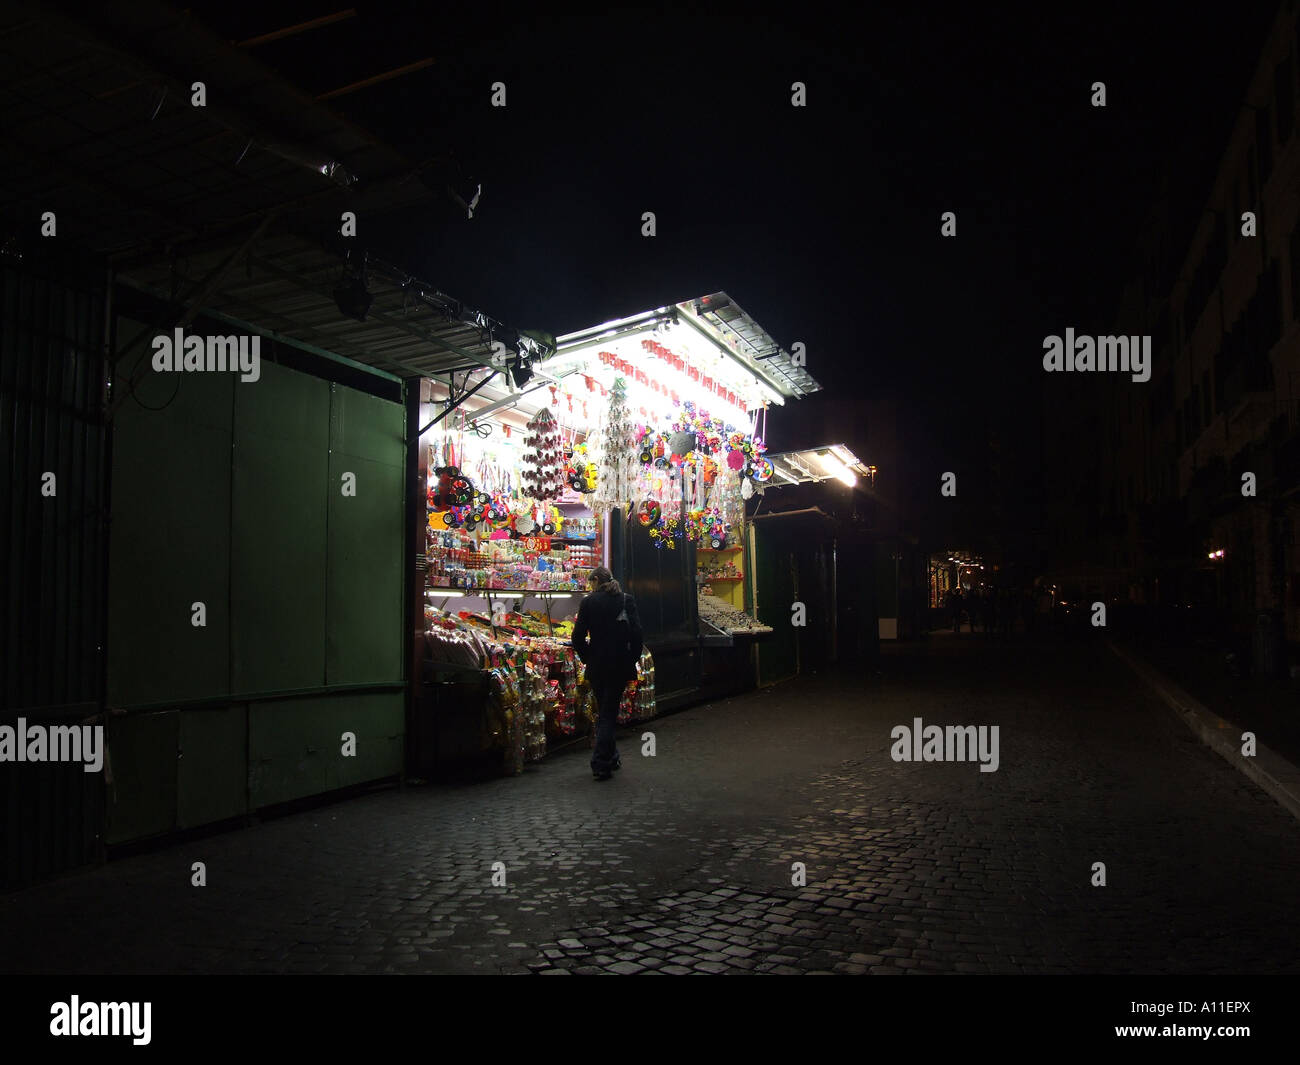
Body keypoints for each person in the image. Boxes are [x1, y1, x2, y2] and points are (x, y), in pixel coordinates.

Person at [572, 566, 643, 781]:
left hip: (597, 666)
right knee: (608, 712)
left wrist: (587, 657)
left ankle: (604, 760)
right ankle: (606, 760)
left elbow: (577, 637)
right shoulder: (625, 600)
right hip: (619, 664)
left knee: (605, 711)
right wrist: (632, 658)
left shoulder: (588, 602)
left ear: (595, 581)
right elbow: (637, 633)